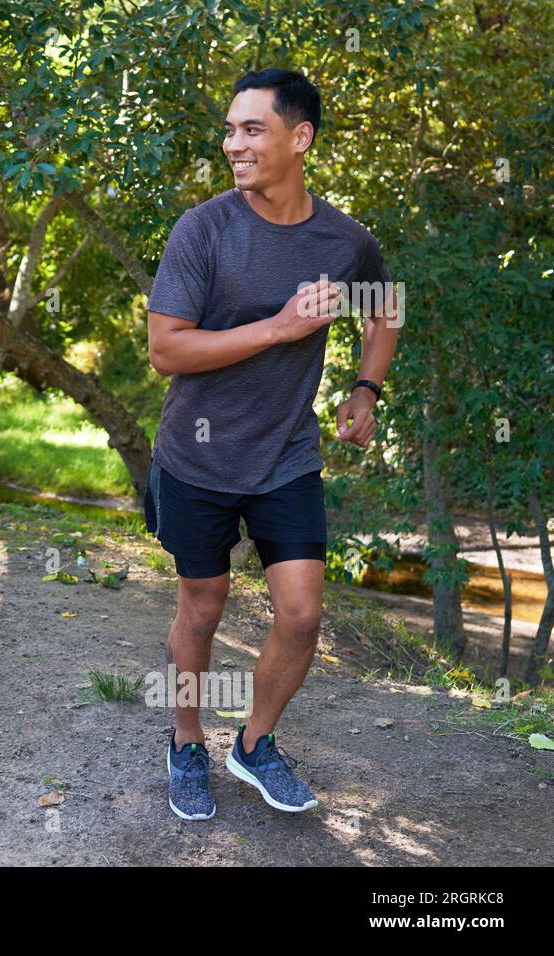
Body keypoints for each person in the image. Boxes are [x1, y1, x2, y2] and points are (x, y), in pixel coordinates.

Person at [145, 68, 400, 820]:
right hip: (197, 456)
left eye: (251, 129)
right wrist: (282, 327)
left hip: (287, 453)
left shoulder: (344, 241)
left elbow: (385, 307)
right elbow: (167, 349)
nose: (234, 144)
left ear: (300, 138)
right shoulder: (205, 229)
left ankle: (253, 744)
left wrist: (365, 389)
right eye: (229, 130)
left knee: (301, 613)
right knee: (202, 606)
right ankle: (187, 741)